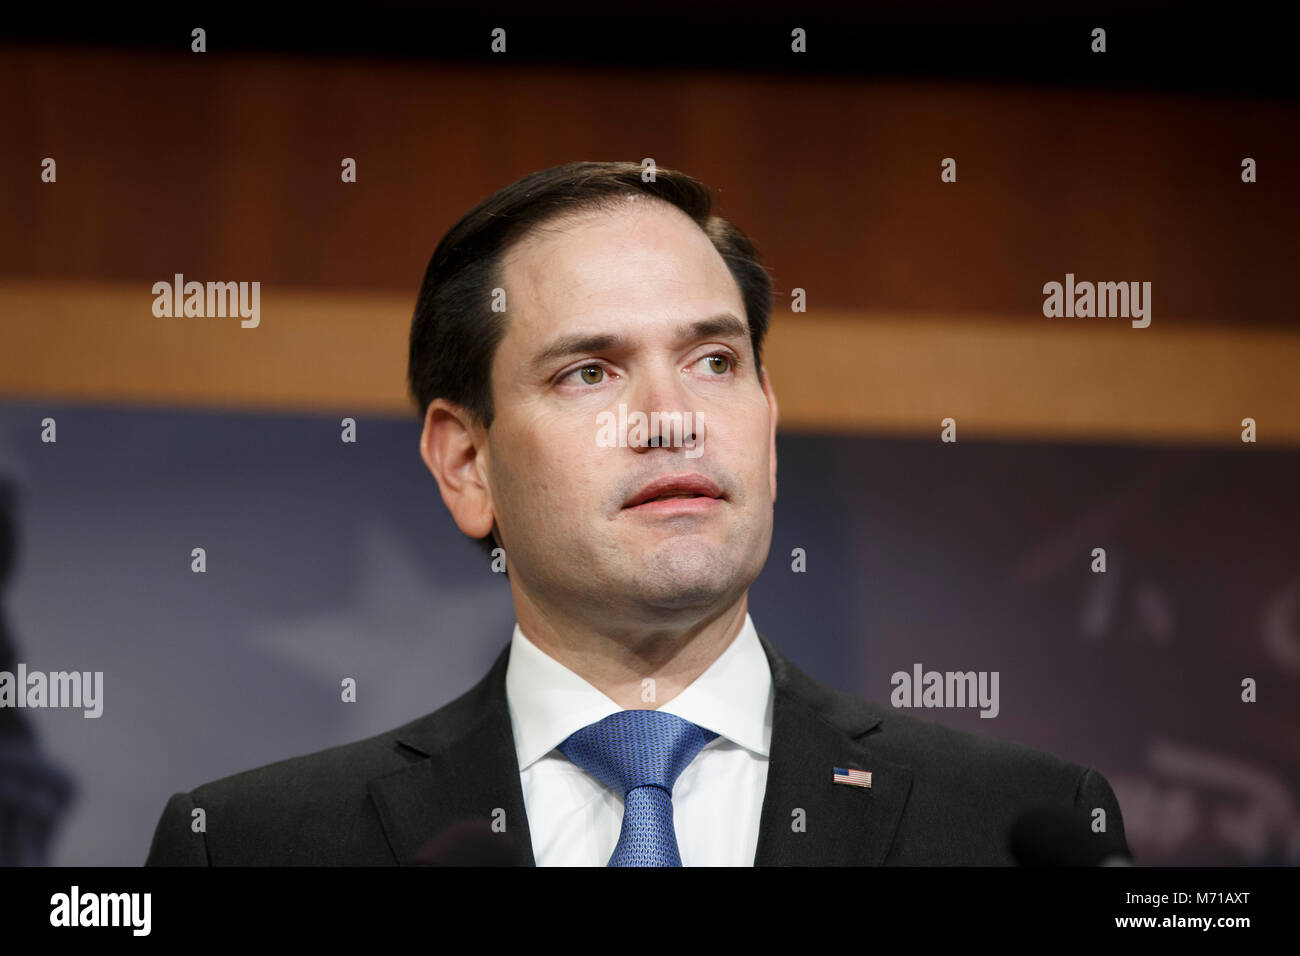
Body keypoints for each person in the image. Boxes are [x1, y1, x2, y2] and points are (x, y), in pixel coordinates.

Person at [144, 161, 1129, 866]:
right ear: (465, 461)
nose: (672, 419)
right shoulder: (252, 845)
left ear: (768, 425)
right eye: (589, 370)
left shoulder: (1023, 828)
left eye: (714, 361)